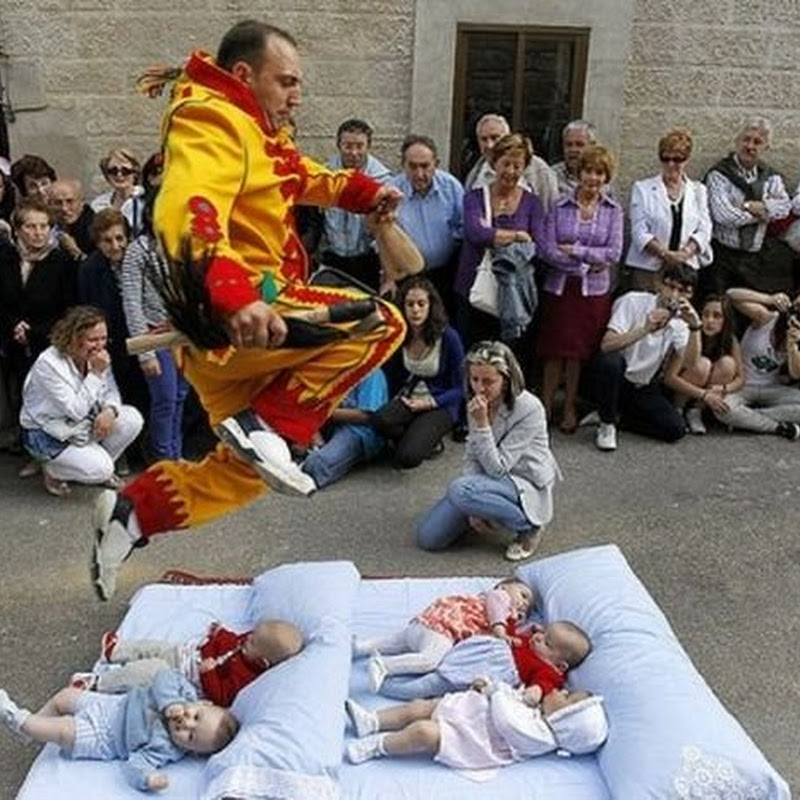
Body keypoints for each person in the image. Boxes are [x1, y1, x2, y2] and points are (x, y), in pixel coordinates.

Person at [91, 19, 406, 601]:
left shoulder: (261, 135)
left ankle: (132, 516)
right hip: (246, 315)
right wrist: (232, 292)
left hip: (238, 342)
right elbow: (188, 208)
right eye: (285, 81)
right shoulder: (211, 121)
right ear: (244, 75)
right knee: (380, 321)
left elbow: (301, 177)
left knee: (246, 474)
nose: (297, 95)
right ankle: (268, 426)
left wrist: (364, 193)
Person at [417, 341, 558, 561]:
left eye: (488, 381)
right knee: (429, 538)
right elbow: (472, 456)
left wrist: (482, 424)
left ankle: (529, 526)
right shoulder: (477, 402)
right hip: (487, 480)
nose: (480, 388)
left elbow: (499, 468)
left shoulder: (530, 408)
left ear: (506, 379)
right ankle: (483, 507)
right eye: (474, 380)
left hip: (523, 480)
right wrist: (472, 508)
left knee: (459, 490)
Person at [0, 668, 238, 793]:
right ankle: (29, 731)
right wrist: (171, 703)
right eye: (196, 716)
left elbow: (135, 763)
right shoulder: (183, 695)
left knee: (62, 731)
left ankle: (19, 720)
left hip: (104, 737)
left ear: (192, 752)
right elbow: (164, 676)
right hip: (112, 705)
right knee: (64, 698)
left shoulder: (166, 749)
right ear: (203, 703)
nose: (186, 723)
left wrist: (147, 779)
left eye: (191, 736)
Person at [537, 144, 623, 434]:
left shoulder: (613, 211)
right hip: (560, 289)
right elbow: (547, 248)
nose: (593, 178)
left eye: (599, 173)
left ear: (606, 176)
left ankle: (570, 406)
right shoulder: (559, 206)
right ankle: (546, 407)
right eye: (588, 171)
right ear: (579, 173)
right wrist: (587, 260)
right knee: (553, 351)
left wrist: (575, 250)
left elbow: (613, 253)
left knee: (577, 354)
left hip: (592, 294)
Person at [19, 306, 144, 496]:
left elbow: (111, 391)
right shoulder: (49, 363)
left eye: (103, 338)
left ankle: (92, 467)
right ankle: (54, 471)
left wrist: (109, 411)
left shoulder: (95, 356)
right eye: (93, 339)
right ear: (73, 338)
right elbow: (74, 410)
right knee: (102, 468)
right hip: (49, 432)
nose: (100, 345)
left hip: (80, 424)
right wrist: (95, 373)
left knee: (132, 418)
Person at [343, 681, 608, 768]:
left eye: (566, 698)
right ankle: (373, 721)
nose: (560, 691)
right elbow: (512, 701)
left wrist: (496, 691)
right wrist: (506, 691)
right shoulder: (537, 711)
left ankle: (378, 747)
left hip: (472, 740)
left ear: (565, 723)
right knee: (421, 706)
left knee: (423, 732)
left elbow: (507, 721)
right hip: (470, 712)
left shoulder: (542, 738)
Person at [582, 264, 702, 451]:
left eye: (683, 291)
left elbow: (691, 363)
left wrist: (695, 327)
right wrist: (645, 329)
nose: (674, 295)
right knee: (611, 362)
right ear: (659, 284)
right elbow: (607, 345)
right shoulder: (633, 301)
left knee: (675, 429)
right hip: (612, 378)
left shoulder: (682, 322)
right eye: (671, 287)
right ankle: (607, 424)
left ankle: (618, 418)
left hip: (642, 385)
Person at [0, 199, 78, 472]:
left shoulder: (61, 262)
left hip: (49, 342)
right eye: (30, 226)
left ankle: (54, 457)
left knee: (51, 402)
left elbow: (68, 308)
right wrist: (15, 326)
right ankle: (32, 450)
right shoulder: (6, 258)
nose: (38, 233)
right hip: (13, 341)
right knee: (22, 397)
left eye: (43, 226)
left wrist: (34, 331)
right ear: (18, 230)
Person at [353, 577, 535, 693]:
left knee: (398, 641)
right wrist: (500, 630)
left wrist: (529, 628)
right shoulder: (499, 596)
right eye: (523, 595)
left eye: (527, 608)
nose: (524, 604)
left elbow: (513, 635)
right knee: (430, 660)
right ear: (504, 586)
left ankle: (362, 647)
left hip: (424, 623)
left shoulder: (505, 613)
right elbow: (498, 619)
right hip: (445, 627)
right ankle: (384, 665)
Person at [75, 619, 303, 708]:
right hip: (187, 653)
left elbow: (221, 696)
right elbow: (233, 639)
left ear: (262, 661)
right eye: (251, 633)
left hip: (183, 678)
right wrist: (220, 633)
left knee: (148, 671)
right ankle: (115, 651)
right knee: (155, 647)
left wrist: (208, 674)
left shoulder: (245, 678)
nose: (246, 639)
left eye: (252, 642)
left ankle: (99, 683)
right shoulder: (248, 641)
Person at [454, 134, 543, 361]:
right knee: (473, 353)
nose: (511, 171)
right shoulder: (474, 198)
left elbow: (536, 243)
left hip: (513, 292)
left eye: (517, 165)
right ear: (495, 164)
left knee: (506, 357)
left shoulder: (532, 203)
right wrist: (516, 235)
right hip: (474, 288)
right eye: (506, 164)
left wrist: (492, 234)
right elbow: (474, 233)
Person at [120, 192, 190, 462]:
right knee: (165, 397)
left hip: (183, 333)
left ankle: (176, 454)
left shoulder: (186, 244)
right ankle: (162, 458)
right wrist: (145, 352)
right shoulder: (139, 250)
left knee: (181, 396)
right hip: (154, 333)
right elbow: (132, 301)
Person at [370, 277, 464, 467]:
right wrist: (393, 401)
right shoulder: (401, 334)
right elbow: (393, 375)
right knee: (379, 421)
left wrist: (429, 402)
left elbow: (461, 388)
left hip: (439, 404)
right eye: (410, 304)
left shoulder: (449, 338)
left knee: (406, 458)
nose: (415, 310)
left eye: (421, 304)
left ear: (431, 306)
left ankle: (429, 439)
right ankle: (418, 435)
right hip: (410, 399)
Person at [379, 619, 591, 702]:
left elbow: (543, 685)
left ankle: (386, 687)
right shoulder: (529, 639)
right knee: (433, 661)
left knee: (432, 683)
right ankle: (388, 666)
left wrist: (534, 693)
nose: (538, 638)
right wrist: (509, 627)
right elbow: (509, 632)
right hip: (475, 652)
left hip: (487, 670)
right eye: (543, 634)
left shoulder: (548, 670)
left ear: (560, 665)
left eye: (547, 643)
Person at [705, 116, 794, 296]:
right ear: (737, 141)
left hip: (755, 259)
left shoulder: (771, 176)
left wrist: (752, 207)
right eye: (746, 139)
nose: (750, 146)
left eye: (757, 142)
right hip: (723, 257)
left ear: (766, 147)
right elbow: (724, 216)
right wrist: (761, 212)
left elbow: (784, 207)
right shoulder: (719, 174)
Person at [625, 128, 713, 293]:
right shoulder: (642, 189)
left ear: (687, 159)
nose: (671, 164)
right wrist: (665, 254)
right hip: (649, 269)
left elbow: (705, 229)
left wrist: (684, 254)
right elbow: (639, 231)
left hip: (685, 270)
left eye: (678, 159)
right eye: (665, 158)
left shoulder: (699, 191)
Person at [78, 208, 148, 415]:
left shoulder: (139, 260)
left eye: (120, 238)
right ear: (98, 243)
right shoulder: (89, 269)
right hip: (113, 343)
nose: (115, 246)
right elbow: (89, 309)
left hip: (144, 336)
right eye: (107, 241)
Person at [708, 288, 800, 439]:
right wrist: (769, 299)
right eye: (795, 309)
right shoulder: (767, 318)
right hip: (742, 385)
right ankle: (776, 427)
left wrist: (792, 346)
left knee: (730, 412)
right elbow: (731, 295)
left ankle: (748, 418)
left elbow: (796, 373)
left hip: (772, 387)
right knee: (722, 408)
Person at [390, 135, 464, 313]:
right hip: (405, 277)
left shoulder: (452, 187)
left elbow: (462, 228)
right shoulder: (391, 191)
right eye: (413, 166)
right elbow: (381, 236)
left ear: (436, 164)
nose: (419, 174)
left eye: (425, 166)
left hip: (444, 275)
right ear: (403, 164)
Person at [318, 118, 392, 291]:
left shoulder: (383, 181)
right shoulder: (325, 175)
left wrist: (387, 274)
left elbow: (386, 231)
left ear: (369, 146)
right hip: (332, 259)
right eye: (348, 146)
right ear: (338, 145)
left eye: (359, 146)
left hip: (367, 261)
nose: (354, 152)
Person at [663, 294, 743, 435]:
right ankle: (678, 409)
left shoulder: (729, 339)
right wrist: (704, 394)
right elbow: (669, 378)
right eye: (705, 315)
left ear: (726, 321)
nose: (709, 321)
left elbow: (740, 378)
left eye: (717, 316)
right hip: (681, 390)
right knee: (702, 365)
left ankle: (696, 411)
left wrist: (724, 388)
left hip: (706, 396)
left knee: (728, 364)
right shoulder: (689, 334)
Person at [300, 368, 388, 489]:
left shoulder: (371, 372)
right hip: (326, 423)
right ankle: (314, 449)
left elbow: (366, 416)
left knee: (316, 464)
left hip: (357, 430)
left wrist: (321, 414)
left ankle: (310, 456)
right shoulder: (329, 365)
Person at [463, 113, 558, 211]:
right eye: (484, 139)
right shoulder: (476, 174)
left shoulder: (539, 170)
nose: (490, 145)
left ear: (508, 137)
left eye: (495, 137)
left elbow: (551, 210)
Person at [90, 148, 146, 237]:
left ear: (135, 173)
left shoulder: (145, 200)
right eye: (113, 171)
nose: (119, 175)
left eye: (125, 171)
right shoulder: (98, 204)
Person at [550, 120, 598, 197]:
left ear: (592, 147)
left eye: (579, 145)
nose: (573, 150)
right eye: (569, 145)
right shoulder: (551, 176)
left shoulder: (599, 177)